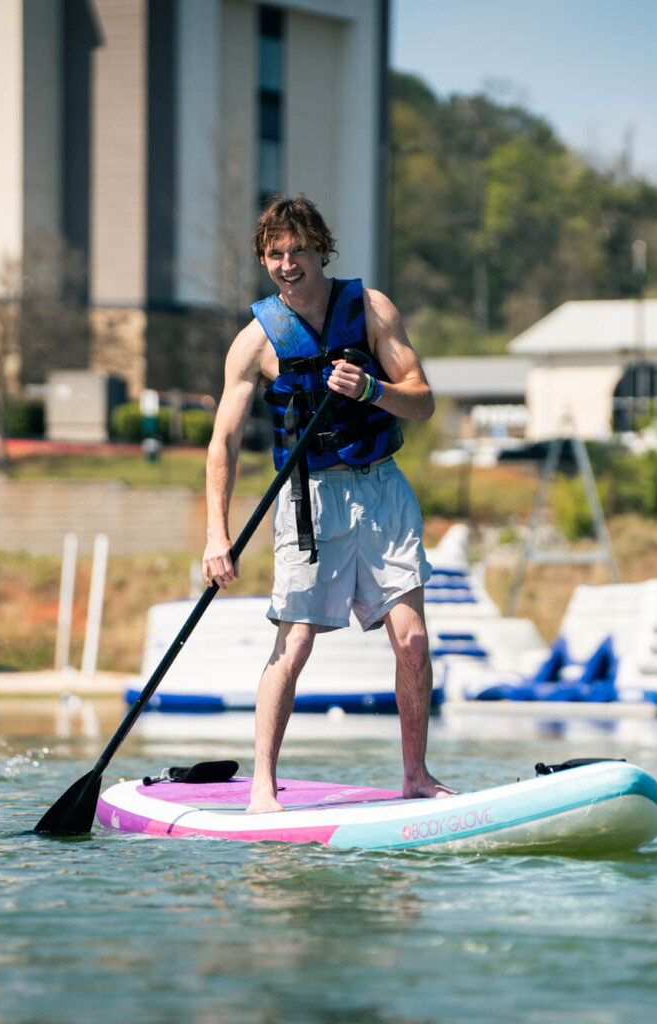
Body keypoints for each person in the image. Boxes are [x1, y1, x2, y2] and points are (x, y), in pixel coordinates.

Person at [203, 193, 454, 813]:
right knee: (295, 642)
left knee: (413, 640)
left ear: (322, 250)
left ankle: (416, 776)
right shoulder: (255, 342)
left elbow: (422, 401)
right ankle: (263, 785)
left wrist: (374, 389)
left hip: (382, 489)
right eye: (275, 254)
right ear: (265, 261)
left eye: (299, 251)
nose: (289, 264)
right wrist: (217, 533)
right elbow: (225, 440)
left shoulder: (371, 310)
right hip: (311, 501)